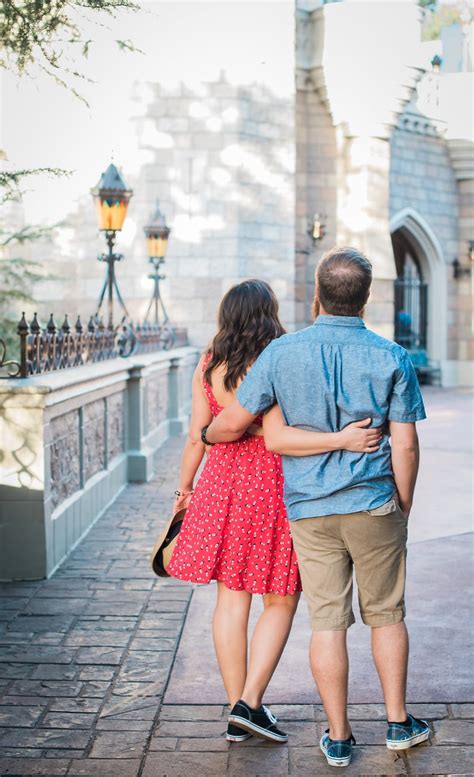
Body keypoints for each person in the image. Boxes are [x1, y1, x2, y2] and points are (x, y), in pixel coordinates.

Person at [205, 248, 430, 768]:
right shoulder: (391, 356)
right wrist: (404, 503)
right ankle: (398, 724)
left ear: (317, 296)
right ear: (366, 298)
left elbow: (234, 422)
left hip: (309, 510)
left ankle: (340, 737)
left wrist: (205, 434)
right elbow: (408, 445)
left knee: (327, 622)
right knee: (387, 616)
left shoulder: (281, 354)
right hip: (374, 503)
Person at [167, 278, 382, 744]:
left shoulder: (208, 363)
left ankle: (236, 709)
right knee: (280, 598)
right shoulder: (283, 355)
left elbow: (196, 434)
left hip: (220, 484)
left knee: (230, 600)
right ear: (270, 312)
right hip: (272, 484)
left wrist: (184, 489)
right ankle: (250, 702)